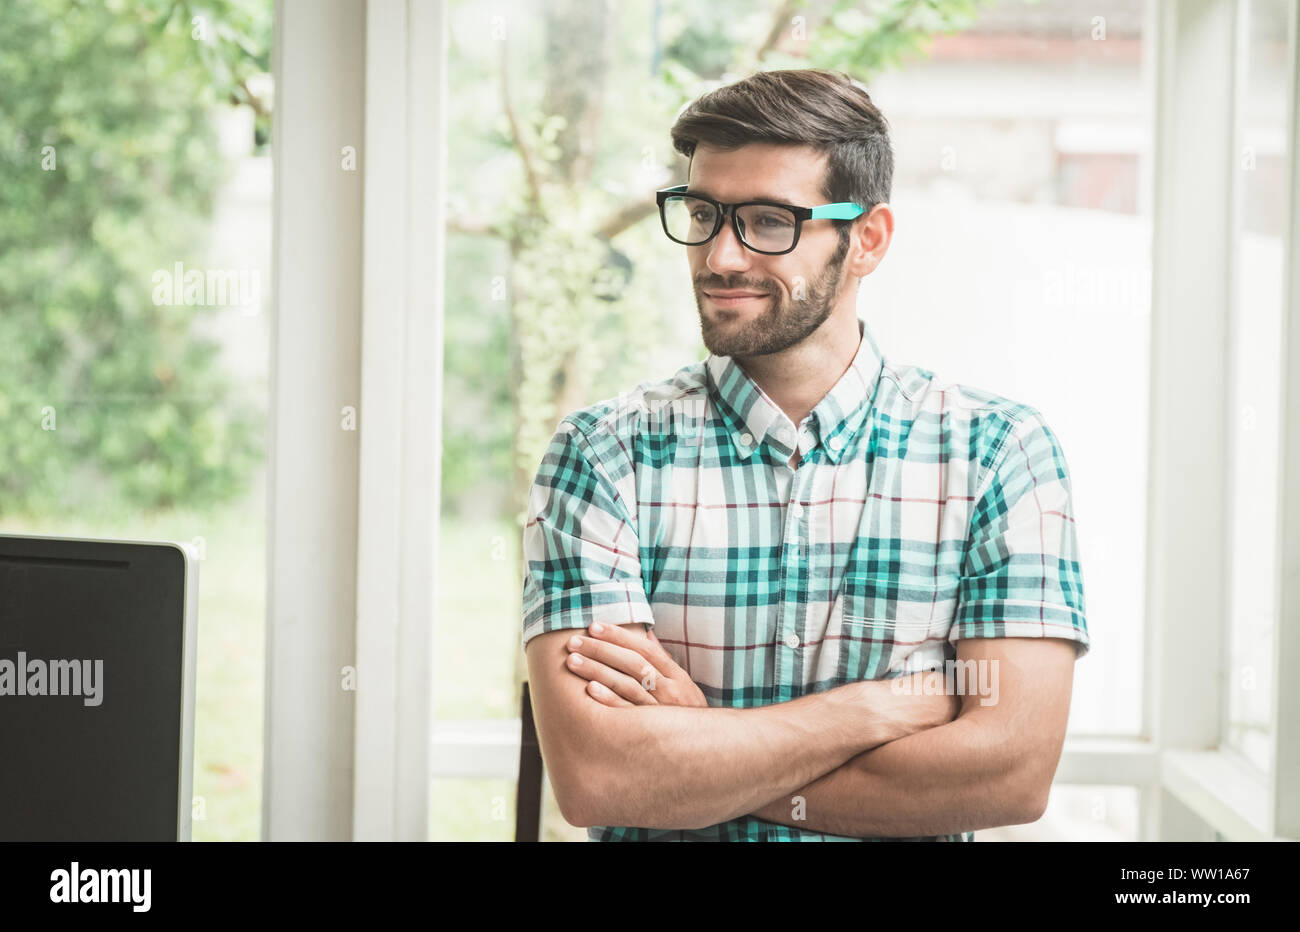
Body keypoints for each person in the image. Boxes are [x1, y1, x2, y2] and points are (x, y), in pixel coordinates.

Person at [520, 68, 1089, 841]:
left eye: (767, 220)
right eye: (703, 214)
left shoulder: (998, 454)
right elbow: (600, 780)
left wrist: (703, 749)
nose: (720, 257)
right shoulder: (603, 455)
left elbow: (1009, 776)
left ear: (868, 239)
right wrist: (870, 709)